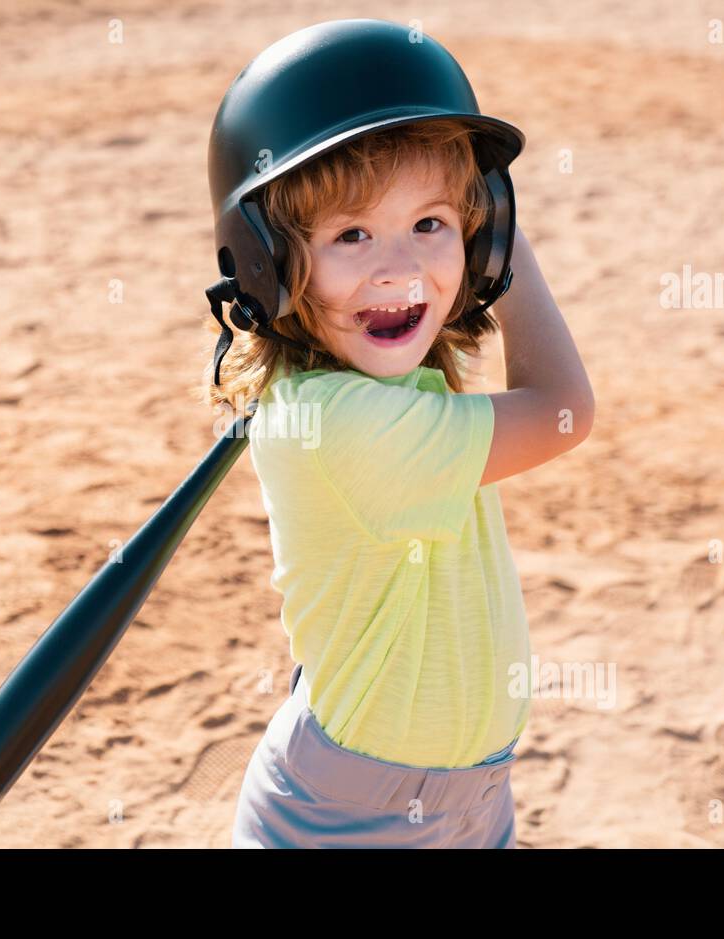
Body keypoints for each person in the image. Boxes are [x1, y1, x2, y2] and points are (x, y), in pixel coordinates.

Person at [197, 20, 595, 849]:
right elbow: (563, 407)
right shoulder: (346, 424)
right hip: (354, 822)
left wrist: (482, 226)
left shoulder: (377, 385)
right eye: (350, 234)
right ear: (266, 260)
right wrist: (505, 242)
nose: (400, 269)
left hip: (470, 800)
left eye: (432, 224)